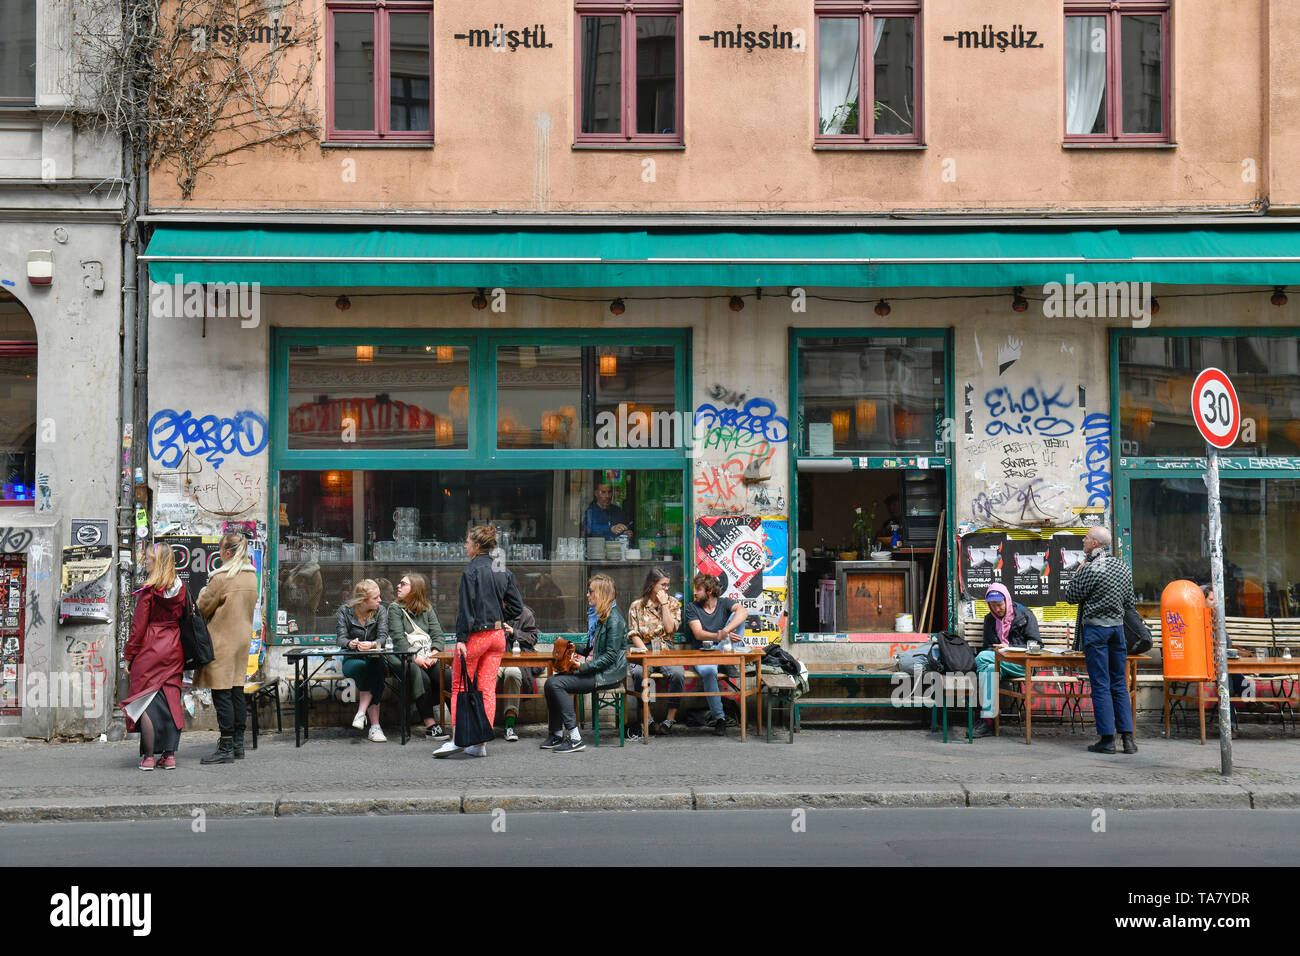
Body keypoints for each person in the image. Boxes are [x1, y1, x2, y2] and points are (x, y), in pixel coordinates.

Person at [433, 525, 524, 758]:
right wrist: (499, 616)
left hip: (475, 637)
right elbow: (516, 607)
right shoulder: (501, 568)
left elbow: (466, 610)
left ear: (476, 545)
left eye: (467, 542)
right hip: (497, 637)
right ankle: (480, 744)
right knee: (487, 690)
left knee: (459, 686)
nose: (465, 545)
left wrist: (461, 639)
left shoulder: (470, 570)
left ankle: (458, 739)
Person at [1064, 526, 1138, 755]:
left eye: (1086, 538)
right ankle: (1128, 740)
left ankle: (1107, 739)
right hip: (1117, 631)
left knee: (1101, 684)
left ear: (1095, 543)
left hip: (1096, 631)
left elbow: (1071, 596)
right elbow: (1129, 602)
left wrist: (1079, 571)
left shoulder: (1091, 568)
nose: (1083, 541)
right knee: (1119, 683)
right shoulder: (1122, 567)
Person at [540, 574, 628, 754]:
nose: (588, 595)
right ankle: (556, 734)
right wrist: (571, 646)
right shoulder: (601, 618)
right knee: (551, 683)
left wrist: (582, 667)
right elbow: (591, 649)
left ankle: (574, 737)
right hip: (595, 671)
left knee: (555, 684)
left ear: (601, 594)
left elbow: (610, 657)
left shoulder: (614, 620)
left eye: (591, 592)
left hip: (605, 675)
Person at [195, 532, 259, 764]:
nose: (219, 554)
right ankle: (238, 745)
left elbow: (202, 609)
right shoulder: (251, 577)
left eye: (221, 550)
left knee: (221, 693)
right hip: (242, 641)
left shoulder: (222, 578)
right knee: (236, 691)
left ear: (228, 552)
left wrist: (202, 594)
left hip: (222, 640)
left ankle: (226, 747)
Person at [123, 543, 187, 771]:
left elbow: (138, 627)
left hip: (150, 649)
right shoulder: (181, 589)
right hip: (173, 647)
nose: (145, 562)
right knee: (171, 698)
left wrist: (129, 656)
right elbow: (186, 618)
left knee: (146, 701)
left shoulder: (148, 591)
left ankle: (149, 757)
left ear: (158, 563)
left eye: (149, 559)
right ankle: (169, 756)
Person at [683, 572, 748, 735]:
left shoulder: (725, 603)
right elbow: (698, 634)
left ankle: (728, 654)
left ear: (709, 591)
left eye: (698, 589)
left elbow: (744, 612)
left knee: (737, 615)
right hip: (702, 654)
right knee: (710, 671)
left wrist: (725, 631)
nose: (695, 593)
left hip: (723, 650)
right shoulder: (692, 607)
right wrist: (720, 636)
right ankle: (720, 719)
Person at [972, 583, 1038, 738]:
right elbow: (988, 646)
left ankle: (982, 714)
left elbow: (1036, 645)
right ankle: (988, 721)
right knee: (988, 669)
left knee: (981, 658)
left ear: (1007, 600)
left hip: (1023, 664)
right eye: (992, 605)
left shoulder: (1024, 615)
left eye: (1000, 605)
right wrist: (996, 651)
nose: (997, 609)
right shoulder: (990, 620)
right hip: (999, 663)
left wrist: (1009, 647)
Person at [388, 572, 447, 740]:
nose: (398, 586)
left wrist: (434, 654)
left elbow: (438, 636)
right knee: (422, 677)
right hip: (404, 657)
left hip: (428, 656)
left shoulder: (427, 608)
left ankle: (461, 722)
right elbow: (398, 638)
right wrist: (416, 658)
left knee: (447, 676)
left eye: (403, 584)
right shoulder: (394, 608)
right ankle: (430, 725)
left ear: (414, 589)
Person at [626, 567, 684, 738]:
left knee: (678, 674)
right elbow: (634, 634)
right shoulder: (637, 606)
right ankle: (648, 718)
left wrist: (665, 604)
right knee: (640, 674)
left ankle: (669, 719)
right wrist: (645, 654)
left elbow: (669, 628)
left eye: (668, 585)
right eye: (663, 585)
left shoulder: (673, 603)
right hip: (644, 647)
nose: (666, 589)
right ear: (652, 585)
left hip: (666, 648)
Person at [337, 579, 390, 742]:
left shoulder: (380, 610)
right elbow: (340, 638)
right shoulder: (344, 611)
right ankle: (375, 727)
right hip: (352, 658)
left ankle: (361, 714)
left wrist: (373, 644)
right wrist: (350, 643)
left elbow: (383, 636)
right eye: (376, 598)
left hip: (374, 657)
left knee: (377, 667)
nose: (380, 600)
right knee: (368, 671)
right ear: (362, 600)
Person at [499, 602, 540, 742]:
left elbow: (533, 638)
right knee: (486, 677)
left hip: (515, 659)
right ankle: (482, 723)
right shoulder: (491, 610)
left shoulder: (525, 613)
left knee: (513, 674)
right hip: (494, 660)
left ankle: (509, 725)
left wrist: (514, 633)